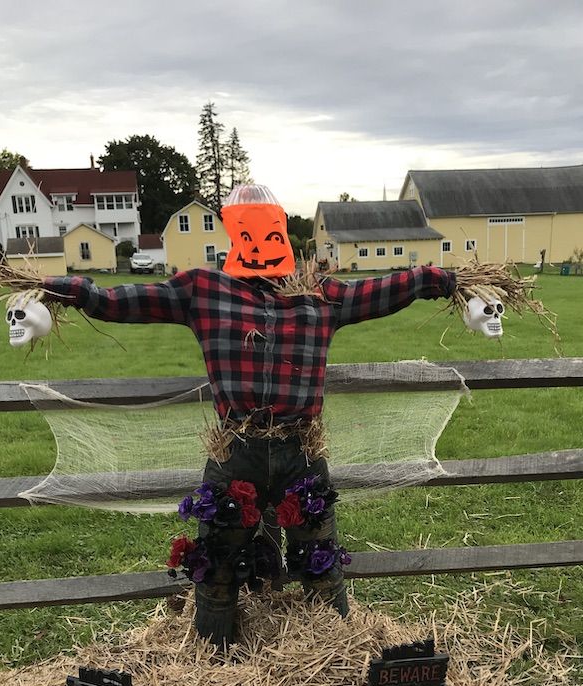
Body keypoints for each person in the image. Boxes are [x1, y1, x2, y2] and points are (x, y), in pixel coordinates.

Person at [41, 184, 456, 648]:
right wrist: (71, 290)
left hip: (302, 453)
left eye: (268, 233)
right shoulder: (203, 290)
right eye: (249, 234)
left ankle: (339, 661)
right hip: (234, 452)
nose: (260, 247)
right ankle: (211, 665)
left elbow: (379, 291)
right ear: (233, 233)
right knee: (216, 573)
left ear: (280, 229)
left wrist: (430, 280)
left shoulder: (318, 296)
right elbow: (127, 301)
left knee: (322, 567)